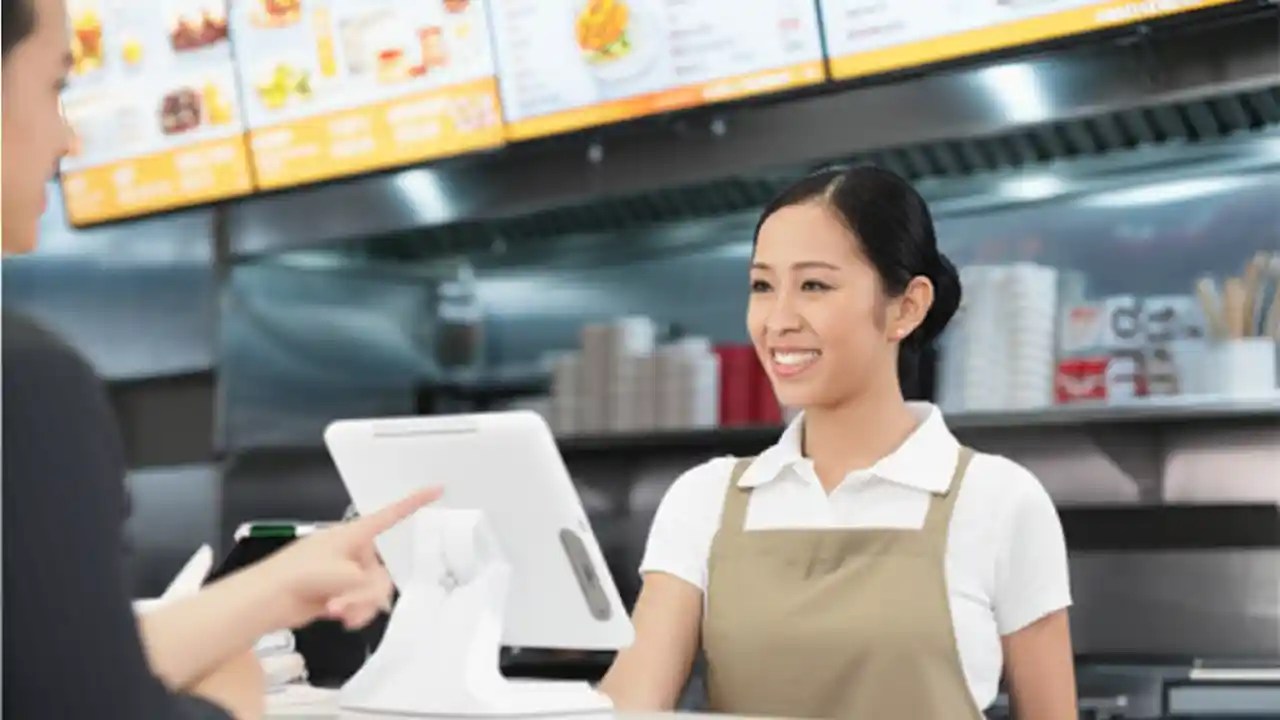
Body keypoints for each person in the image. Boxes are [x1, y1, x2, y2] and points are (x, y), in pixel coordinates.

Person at [1, 0, 439, 717]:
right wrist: (230, 699)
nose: (68, 138)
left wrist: (268, 591)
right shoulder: (24, 383)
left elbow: (38, 666)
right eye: (53, 86)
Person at [599, 167, 1078, 718]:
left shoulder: (1000, 501)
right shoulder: (704, 501)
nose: (778, 320)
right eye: (762, 286)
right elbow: (629, 703)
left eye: (814, 286)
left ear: (906, 307)